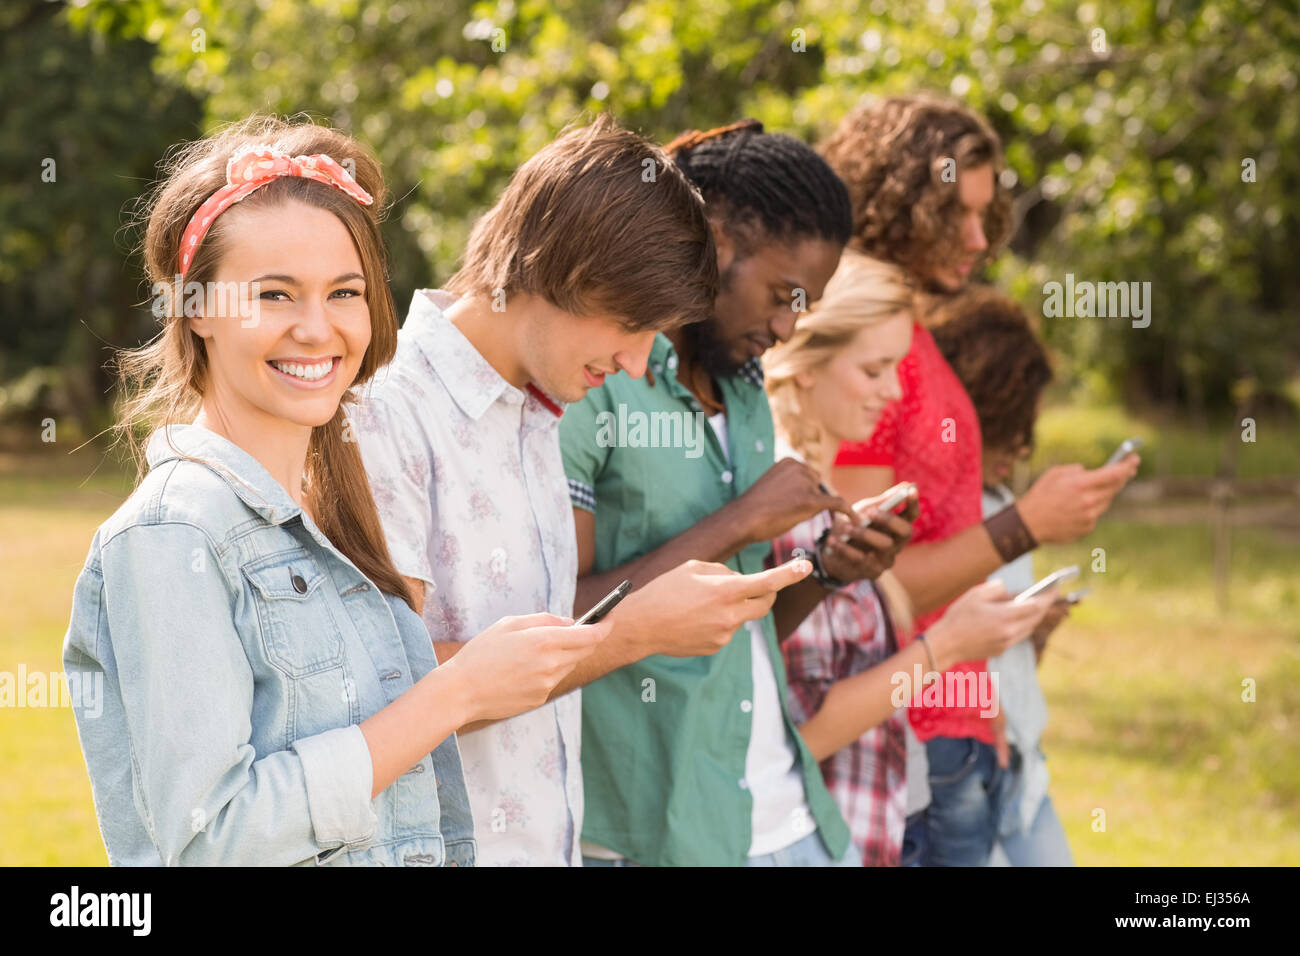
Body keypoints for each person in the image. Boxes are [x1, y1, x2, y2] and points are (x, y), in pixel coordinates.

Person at [61, 116, 613, 867]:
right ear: (197, 312)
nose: (317, 329)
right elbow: (210, 840)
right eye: (275, 295)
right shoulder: (173, 536)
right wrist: (455, 694)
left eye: (344, 292)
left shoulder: (332, 521)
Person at [351, 115, 812, 866]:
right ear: (560, 267)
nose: (636, 365)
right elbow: (384, 688)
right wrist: (630, 634)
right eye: (632, 326)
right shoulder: (385, 418)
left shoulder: (539, 413)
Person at [560, 120, 916, 867]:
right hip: (656, 837)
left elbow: (734, 628)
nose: (787, 327)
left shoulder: (745, 390)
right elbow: (563, 619)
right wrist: (744, 519)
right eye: (782, 295)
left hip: (792, 818)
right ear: (716, 240)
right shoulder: (599, 384)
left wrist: (825, 571)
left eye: (805, 306)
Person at [820, 94, 1140, 865]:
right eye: (954, 217)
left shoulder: (911, 333)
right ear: (896, 208)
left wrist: (979, 692)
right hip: (910, 735)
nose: (976, 239)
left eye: (984, 216)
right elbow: (861, 587)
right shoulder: (858, 352)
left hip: (955, 722)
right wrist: (1026, 524)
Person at [764, 250, 1054, 865]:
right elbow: (803, 732)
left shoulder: (825, 496)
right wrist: (946, 646)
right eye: (874, 371)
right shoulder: (785, 502)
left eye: (897, 368)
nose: (893, 393)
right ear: (807, 363)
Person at [930, 286, 1078, 866]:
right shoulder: (938, 515)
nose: (1024, 446)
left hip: (1021, 756)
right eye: (1016, 426)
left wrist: (1038, 628)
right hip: (967, 758)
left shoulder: (1003, 503)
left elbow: (1012, 664)